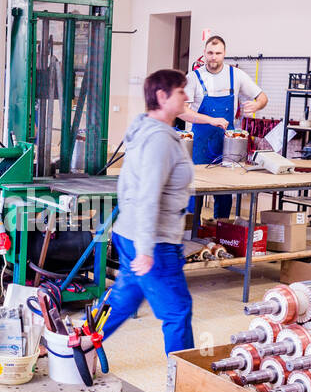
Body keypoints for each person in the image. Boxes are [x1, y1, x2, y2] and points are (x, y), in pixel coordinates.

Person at [99, 68, 195, 355]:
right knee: (177, 312)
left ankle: (75, 345)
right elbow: (147, 196)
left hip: (129, 233)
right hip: (154, 241)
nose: (186, 96)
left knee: (122, 302)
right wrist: (145, 248)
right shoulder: (159, 140)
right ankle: (183, 384)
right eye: (181, 91)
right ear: (162, 96)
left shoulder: (145, 129)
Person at [178, 34, 268, 221]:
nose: (213, 57)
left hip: (228, 147)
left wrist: (257, 105)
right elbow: (181, 111)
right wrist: (210, 120)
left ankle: (221, 236)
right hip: (199, 147)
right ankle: (191, 236)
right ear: (204, 53)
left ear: (224, 54)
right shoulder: (193, 78)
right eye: (210, 53)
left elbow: (262, 97)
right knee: (194, 194)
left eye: (218, 53)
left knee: (225, 194)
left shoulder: (236, 75)